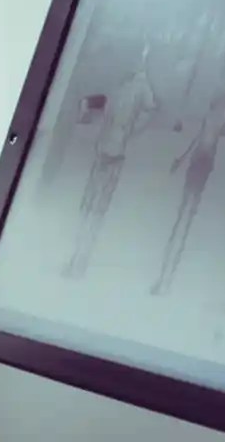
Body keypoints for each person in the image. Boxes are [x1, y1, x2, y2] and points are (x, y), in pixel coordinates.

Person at [64, 43, 159, 279]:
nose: (137, 59)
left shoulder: (142, 86)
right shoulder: (121, 83)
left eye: (142, 55)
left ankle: (81, 262)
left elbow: (150, 111)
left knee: (97, 210)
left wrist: (129, 131)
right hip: (102, 150)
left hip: (115, 154)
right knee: (87, 206)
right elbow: (106, 105)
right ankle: (75, 257)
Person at [151, 51, 225, 296]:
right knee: (183, 216)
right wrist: (180, 158)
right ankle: (164, 278)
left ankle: (166, 280)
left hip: (203, 162)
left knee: (184, 217)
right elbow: (205, 133)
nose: (223, 76)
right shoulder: (220, 102)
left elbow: (224, 134)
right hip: (198, 159)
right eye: (224, 70)